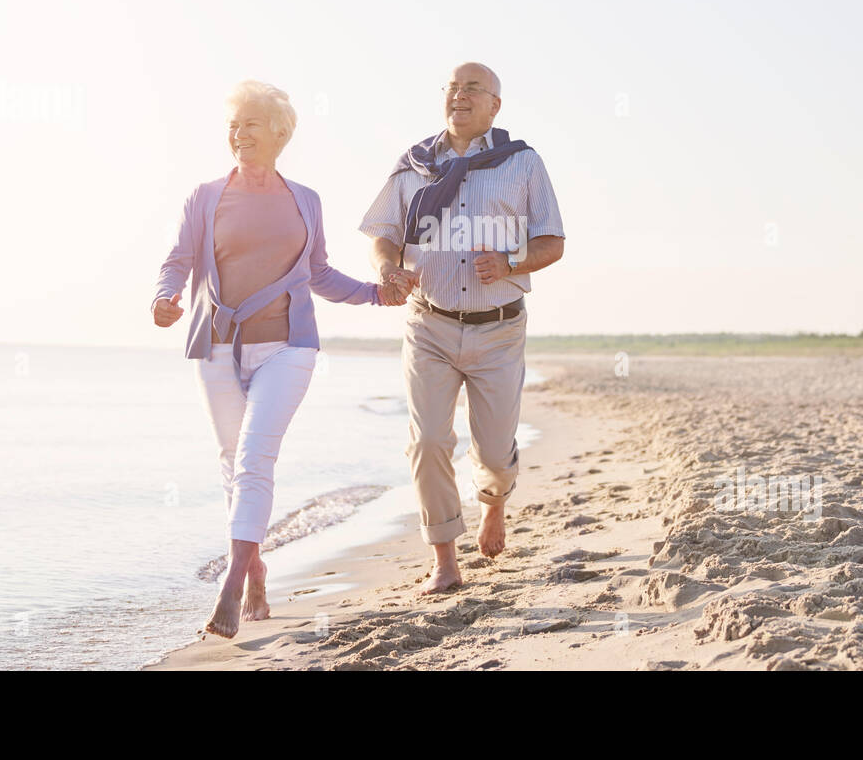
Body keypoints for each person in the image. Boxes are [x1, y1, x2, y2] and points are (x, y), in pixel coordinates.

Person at [152, 80, 412, 637]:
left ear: (279, 132)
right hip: (215, 346)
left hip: (288, 348)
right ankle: (256, 567)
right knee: (231, 462)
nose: (238, 134)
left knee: (253, 459)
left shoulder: (305, 200)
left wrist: (374, 292)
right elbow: (178, 260)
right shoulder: (204, 196)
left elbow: (317, 274)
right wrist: (163, 296)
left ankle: (230, 585)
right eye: (232, 125)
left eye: (249, 123)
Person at [359, 62, 565, 594]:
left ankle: (493, 503)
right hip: (429, 324)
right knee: (428, 440)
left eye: (473, 88)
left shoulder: (521, 163)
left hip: (498, 329)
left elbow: (553, 241)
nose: (460, 95)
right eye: (452, 87)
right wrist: (386, 268)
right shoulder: (414, 165)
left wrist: (511, 260)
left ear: (495, 105)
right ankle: (445, 561)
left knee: (494, 452)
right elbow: (383, 231)